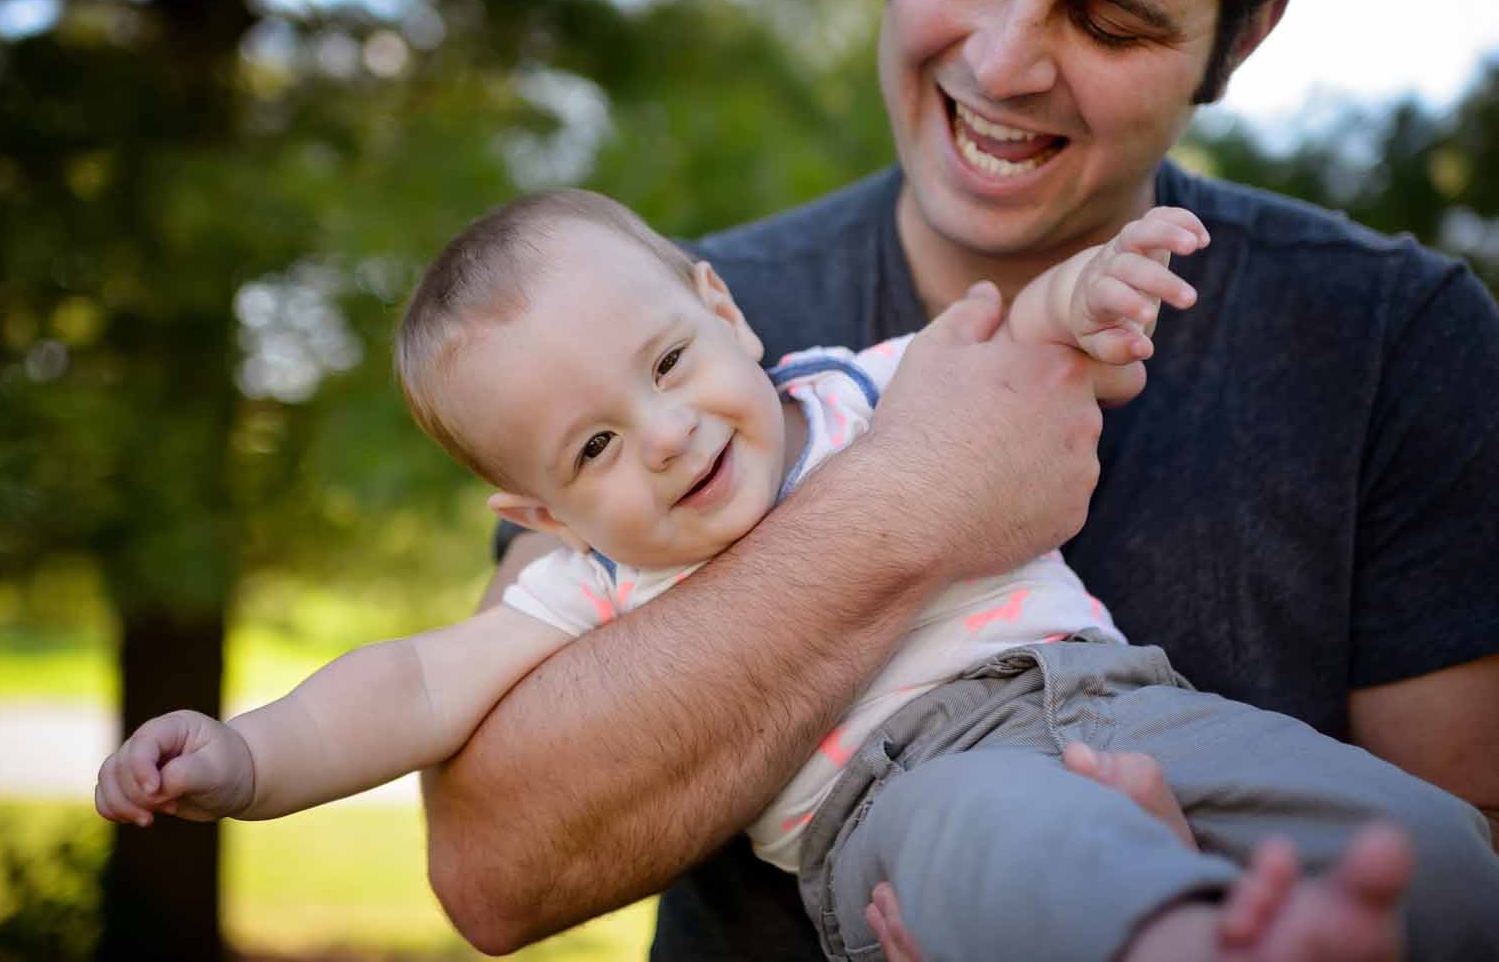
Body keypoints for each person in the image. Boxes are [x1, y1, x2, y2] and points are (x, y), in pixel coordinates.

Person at [417, 0, 1499, 961]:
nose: (1001, 62)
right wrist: (914, 501)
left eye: (1107, 21)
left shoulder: (1394, 340)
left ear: (1242, 34)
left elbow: (1449, 879)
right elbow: (494, 870)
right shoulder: (655, 347)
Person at [95, 190, 1498, 961]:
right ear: (537, 505)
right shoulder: (584, 583)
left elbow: (1020, 338)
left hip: (1124, 699)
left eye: (666, 364)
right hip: (907, 792)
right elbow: (405, 682)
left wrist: (1094, 292)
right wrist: (239, 752)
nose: (669, 435)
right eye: (594, 444)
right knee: (1041, 862)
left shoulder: (864, 387)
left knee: (1433, 849)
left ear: (720, 304)